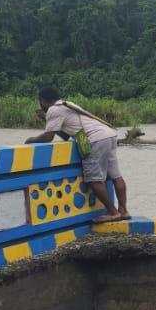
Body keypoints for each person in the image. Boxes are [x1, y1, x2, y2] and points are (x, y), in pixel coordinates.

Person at [25, 86, 129, 223]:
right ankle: (124, 211)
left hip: (93, 139)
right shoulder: (67, 104)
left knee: (94, 179)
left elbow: (48, 137)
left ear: (42, 100)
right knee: (116, 176)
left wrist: (30, 140)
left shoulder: (53, 110)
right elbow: (65, 135)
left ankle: (113, 212)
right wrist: (46, 119)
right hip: (107, 135)